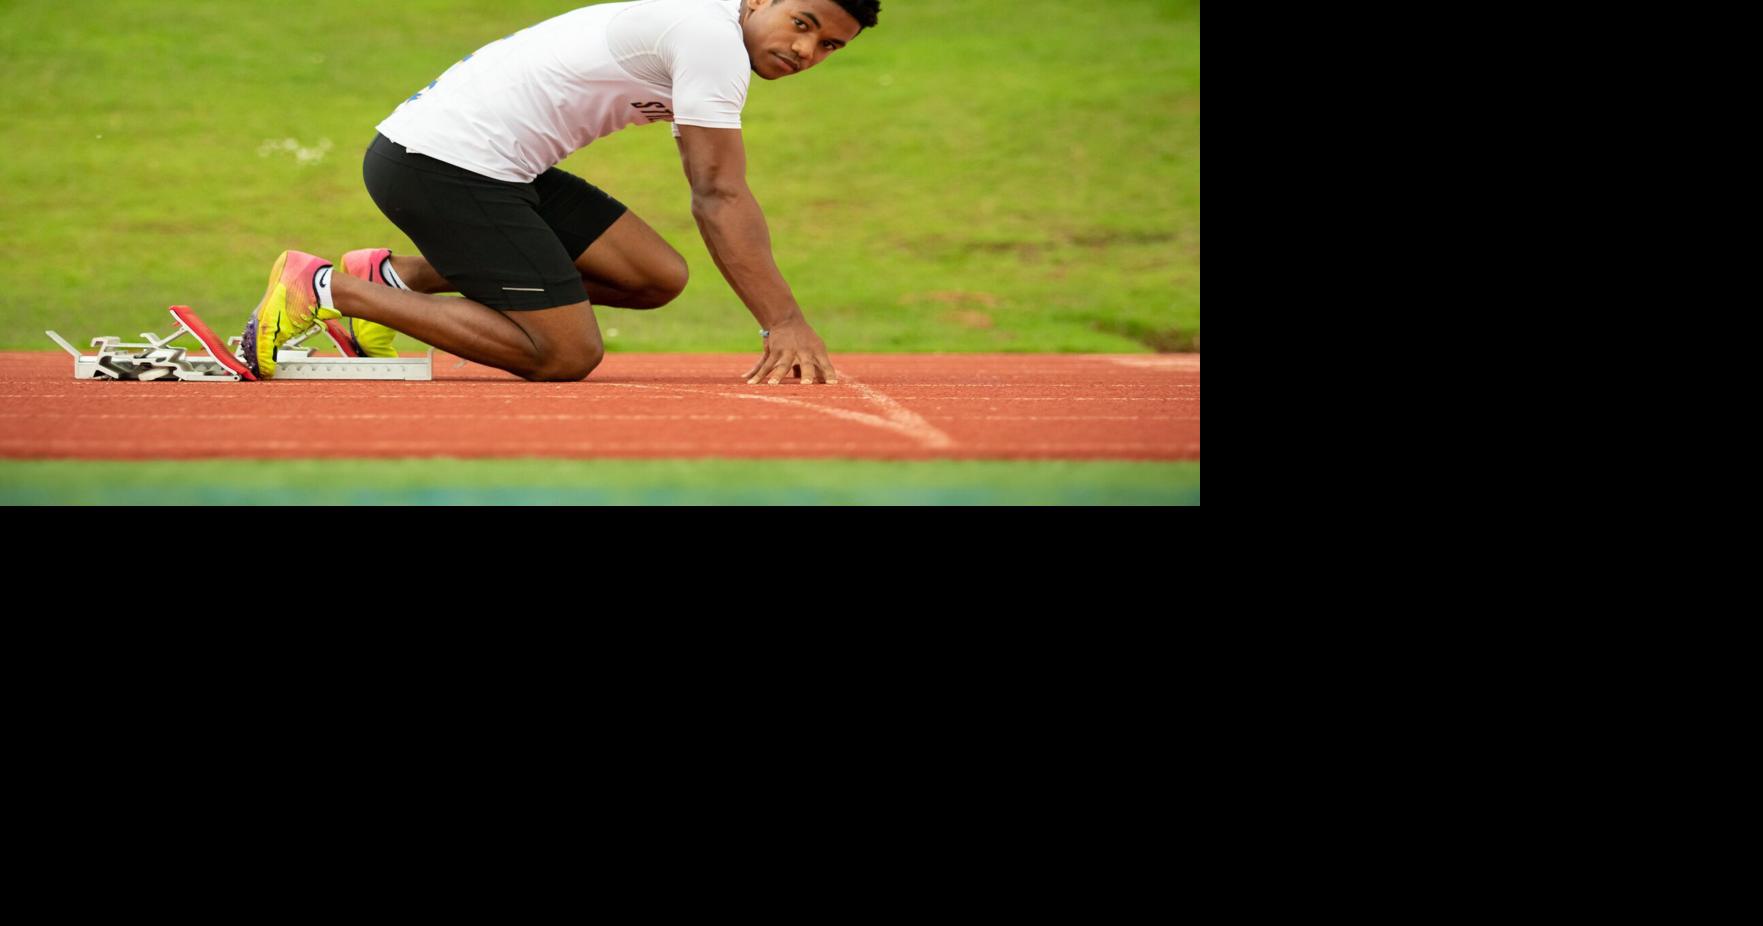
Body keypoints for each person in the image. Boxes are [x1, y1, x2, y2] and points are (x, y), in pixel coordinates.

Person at [240, 0, 878, 385]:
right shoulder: (710, 40)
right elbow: (717, 194)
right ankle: (325, 288)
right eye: (803, 22)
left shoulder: (708, 22)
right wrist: (783, 323)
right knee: (563, 354)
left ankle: (393, 279)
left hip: (493, 167)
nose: (804, 49)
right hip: (437, 165)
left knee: (654, 277)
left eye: (829, 46)